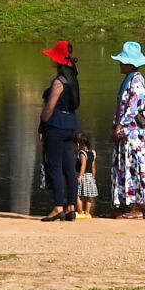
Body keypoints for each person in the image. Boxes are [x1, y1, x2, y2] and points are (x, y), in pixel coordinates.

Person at [109, 41, 145, 221]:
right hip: (127, 132)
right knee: (124, 166)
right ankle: (123, 204)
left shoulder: (137, 80)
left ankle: (137, 207)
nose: (120, 64)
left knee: (136, 167)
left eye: (122, 61)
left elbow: (133, 107)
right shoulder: (130, 79)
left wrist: (119, 125)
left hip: (134, 133)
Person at [36, 42, 81, 222]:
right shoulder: (73, 80)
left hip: (56, 126)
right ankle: (71, 207)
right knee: (69, 168)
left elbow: (50, 108)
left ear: (58, 61)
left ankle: (57, 207)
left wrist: (42, 125)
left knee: (54, 167)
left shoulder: (59, 82)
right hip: (70, 124)